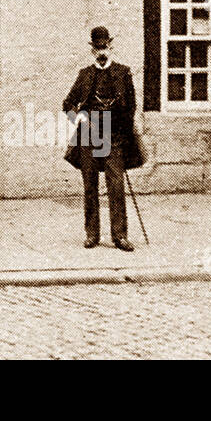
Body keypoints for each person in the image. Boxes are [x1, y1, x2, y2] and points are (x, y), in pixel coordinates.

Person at [62, 25, 144, 252]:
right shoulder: (85, 75)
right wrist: (79, 118)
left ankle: (120, 236)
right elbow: (67, 104)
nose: (101, 52)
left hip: (113, 136)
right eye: (97, 48)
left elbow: (132, 106)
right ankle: (92, 235)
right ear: (92, 50)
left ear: (111, 46)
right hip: (88, 136)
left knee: (116, 186)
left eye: (105, 47)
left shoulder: (123, 73)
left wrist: (125, 134)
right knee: (90, 186)